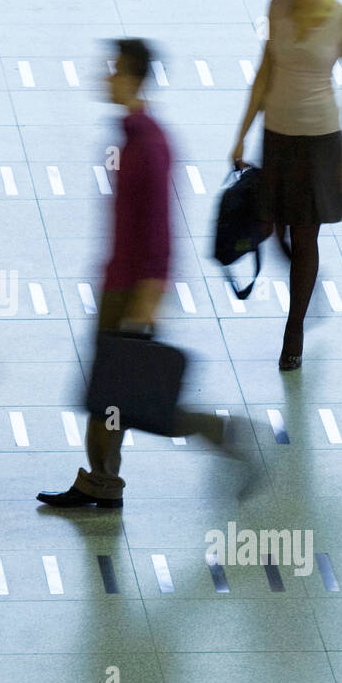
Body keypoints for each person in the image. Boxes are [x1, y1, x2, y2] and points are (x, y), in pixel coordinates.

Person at [37, 39, 238, 509]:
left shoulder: (149, 142)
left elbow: (160, 226)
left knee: (129, 399)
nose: (105, 75)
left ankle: (221, 433)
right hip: (119, 281)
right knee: (110, 398)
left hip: (133, 289)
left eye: (113, 68)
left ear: (132, 77)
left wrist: (149, 292)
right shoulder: (129, 134)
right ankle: (102, 482)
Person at [231, 0, 342, 371]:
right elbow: (264, 71)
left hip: (320, 140)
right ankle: (306, 291)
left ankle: (294, 331)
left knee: (305, 235)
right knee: (274, 228)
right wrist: (242, 132)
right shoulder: (278, 7)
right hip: (278, 136)